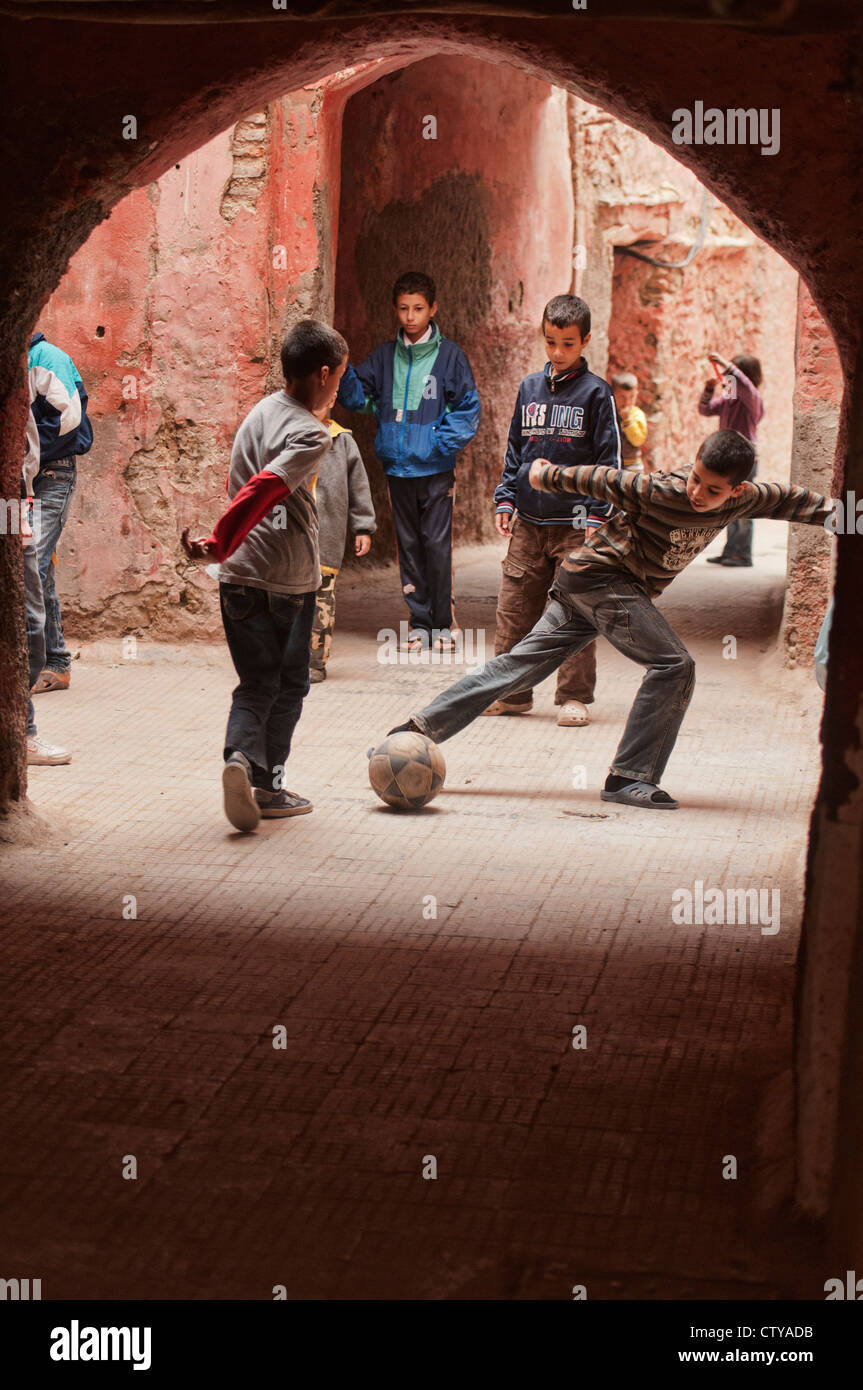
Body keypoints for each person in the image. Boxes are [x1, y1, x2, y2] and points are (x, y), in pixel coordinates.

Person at [385, 429, 832, 811]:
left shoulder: (743, 501)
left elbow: (794, 502)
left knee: (519, 666)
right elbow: (607, 480)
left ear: (735, 491)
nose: (697, 493)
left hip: (588, 585)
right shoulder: (664, 489)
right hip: (601, 578)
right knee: (675, 665)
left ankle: (412, 731)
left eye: (712, 489)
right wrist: (547, 475)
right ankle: (628, 777)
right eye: (696, 478)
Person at [182, 319, 348, 833]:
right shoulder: (311, 433)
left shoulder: (259, 413)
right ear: (323, 375)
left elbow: (247, 483)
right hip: (286, 581)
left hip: (237, 579)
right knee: (291, 684)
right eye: (339, 379)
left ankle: (238, 758)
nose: (338, 389)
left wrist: (224, 552)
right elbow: (263, 488)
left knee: (255, 683)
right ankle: (268, 785)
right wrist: (218, 541)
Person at [487, 293, 622, 728]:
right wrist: (506, 497)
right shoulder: (528, 388)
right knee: (515, 607)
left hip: (576, 525)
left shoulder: (597, 393)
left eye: (567, 343)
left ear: (584, 340)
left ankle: (573, 697)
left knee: (576, 609)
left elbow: (608, 462)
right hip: (529, 521)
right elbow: (514, 450)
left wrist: (597, 518)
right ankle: (510, 692)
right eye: (550, 342)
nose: (558, 353)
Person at [336, 270, 480, 653]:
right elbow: (356, 399)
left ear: (433, 309)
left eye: (418, 308)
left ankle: (443, 623)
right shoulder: (384, 358)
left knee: (437, 544)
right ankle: (419, 624)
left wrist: (437, 443)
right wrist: (344, 364)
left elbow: (468, 409)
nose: (411, 317)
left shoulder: (450, 357)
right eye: (403, 309)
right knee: (409, 545)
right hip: (397, 468)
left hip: (435, 469)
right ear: (395, 311)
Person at [27, 332, 94, 692]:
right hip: (15, 484)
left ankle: (33, 665)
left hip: (53, 475)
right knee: (30, 565)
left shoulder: (46, 357)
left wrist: (21, 446)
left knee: (31, 560)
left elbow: (67, 422)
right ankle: (56, 660)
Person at [308, 406, 376, 683]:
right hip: (291, 537)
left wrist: (363, 527)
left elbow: (358, 486)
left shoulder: (342, 441)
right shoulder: (285, 433)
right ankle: (284, 659)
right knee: (288, 601)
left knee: (322, 601)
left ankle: (315, 661)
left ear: (333, 397)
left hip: (328, 536)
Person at [22, 414, 71, 766]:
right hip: (12, 503)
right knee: (28, 621)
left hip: (13, 503)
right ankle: (22, 733)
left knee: (30, 616)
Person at [698, 351, 764, 567]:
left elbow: (743, 385)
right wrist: (709, 390)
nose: (727, 380)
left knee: (743, 508)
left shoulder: (752, 399)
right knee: (730, 507)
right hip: (729, 459)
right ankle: (731, 551)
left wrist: (725, 364)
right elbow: (705, 409)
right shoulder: (729, 399)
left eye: (732, 377)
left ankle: (742, 554)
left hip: (745, 460)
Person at [610, 370, 652, 472]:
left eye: (631, 397)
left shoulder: (637, 415)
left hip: (632, 465)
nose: (627, 402)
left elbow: (638, 440)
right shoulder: (607, 413)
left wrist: (627, 421)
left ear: (637, 394)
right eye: (622, 397)